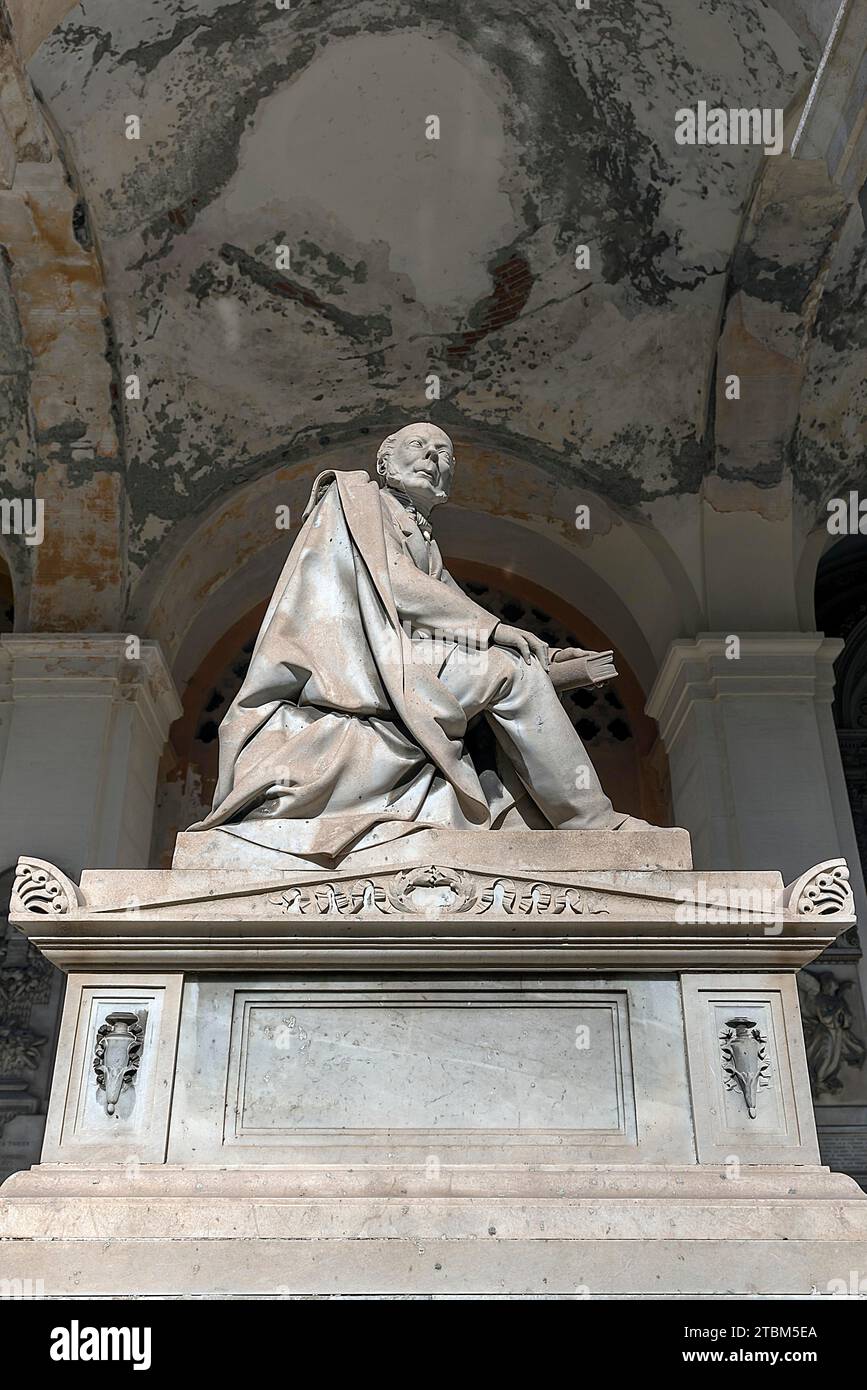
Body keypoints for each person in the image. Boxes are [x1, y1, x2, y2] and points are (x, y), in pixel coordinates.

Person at [189, 423, 655, 859]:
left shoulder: (421, 533)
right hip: (358, 660)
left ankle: (548, 819)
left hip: (402, 656)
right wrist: (500, 636)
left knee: (519, 669)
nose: (433, 456)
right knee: (509, 673)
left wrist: (549, 657)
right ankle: (592, 823)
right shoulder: (356, 501)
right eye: (419, 446)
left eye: (444, 453)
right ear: (385, 463)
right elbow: (397, 582)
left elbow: (452, 602)